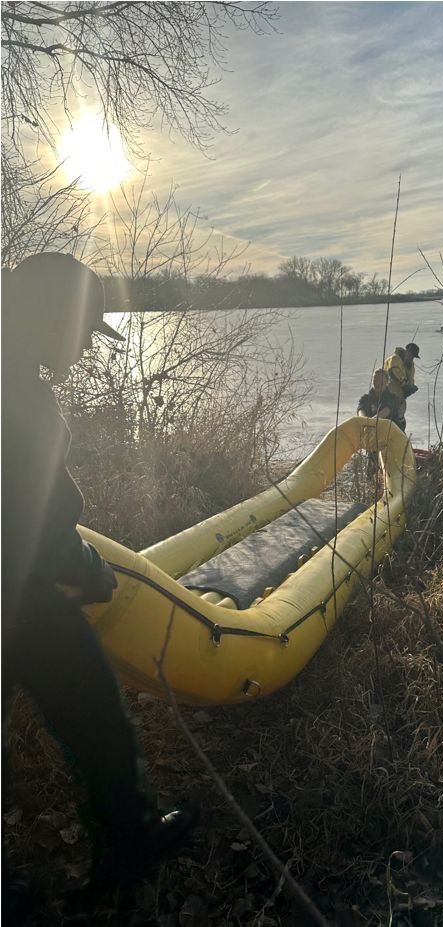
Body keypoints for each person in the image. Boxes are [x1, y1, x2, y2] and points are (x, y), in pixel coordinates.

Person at [1, 253, 197, 919]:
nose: (86, 346)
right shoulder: (16, 392)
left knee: (96, 716)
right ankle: (129, 840)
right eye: (84, 330)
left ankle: (129, 838)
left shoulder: (17, 373)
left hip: (19, 593)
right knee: (96, 718)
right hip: (15, 594)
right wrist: (88, 569)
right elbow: (33, 518)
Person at [384, 342, 420, 431]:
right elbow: (393, 372)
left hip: (400, 399)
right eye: (411, 356)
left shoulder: (411, 366)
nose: (412, 359)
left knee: (401, 423)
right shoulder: (395, 358)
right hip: (387, 396)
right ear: (406, 352)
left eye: (413, 357)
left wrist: (411, 387)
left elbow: (411, 380)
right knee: (388, 422)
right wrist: (405, 385)